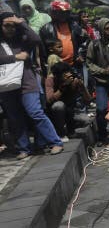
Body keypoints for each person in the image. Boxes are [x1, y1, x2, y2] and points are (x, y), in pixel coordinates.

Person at [0, 12, 63, 158]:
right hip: (6, 85)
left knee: (35, 112)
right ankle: (24, 148)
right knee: (15, 117)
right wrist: (15, 57)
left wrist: (21, 23)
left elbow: (36, 39)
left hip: (27, 83)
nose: (10, 29)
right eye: (6, 26)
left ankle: (55, 142)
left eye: (13, 26)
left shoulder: (23, 39)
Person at [46, 61, 92, 139]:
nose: (67, 75)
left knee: (86, 120)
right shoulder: (51, 80)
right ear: (57, 75)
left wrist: (82, 86)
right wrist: (63, 86)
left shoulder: (73, 80)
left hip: (71, 110)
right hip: (56, 113)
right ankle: (60, 133)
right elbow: (49, 100)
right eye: (64, 74)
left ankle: (70, 128)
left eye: (68, 72)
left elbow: (88, 100)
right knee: (58, 106)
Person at [38, 0, 84, 68]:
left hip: (75, 65)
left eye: (66, 12)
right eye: (60, 12)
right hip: (57, 68)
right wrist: (47, 69)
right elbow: (43, 52)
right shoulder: (46, 29)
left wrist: (80, 54)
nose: (63, 14)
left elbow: (83, 42)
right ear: (53, 13)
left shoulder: (74, 25)